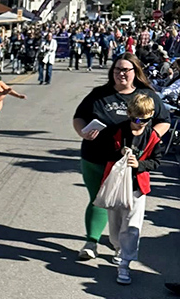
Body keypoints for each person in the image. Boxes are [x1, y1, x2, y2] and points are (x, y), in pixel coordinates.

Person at [72, 53, 170, 260]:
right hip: (95, 157)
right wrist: (82, 133)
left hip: (129, 163)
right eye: (117, 69)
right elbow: (79, 117)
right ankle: (92, 242)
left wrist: (150, 139)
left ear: (135, 72)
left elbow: (164, 120)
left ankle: (119, 245)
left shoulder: (147, 95)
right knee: (98, 199)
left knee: (124, 206)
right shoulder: (99, 94)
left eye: (126, 70)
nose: (121, 74)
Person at [101, 95, 161, 285]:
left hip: (137, 187)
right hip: (116, 184)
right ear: (129, 115)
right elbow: (103, 151)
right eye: (137, 119)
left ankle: (125, 263)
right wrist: (118, 153)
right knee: (115, 224)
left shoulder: (152, 136)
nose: (141, 124)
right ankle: (117, 247)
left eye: (146, 120)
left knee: (132, 227)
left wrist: (140, 164)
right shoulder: (117, 131)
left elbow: (157, 161)